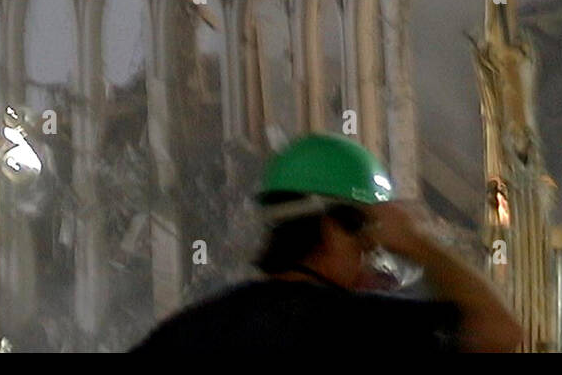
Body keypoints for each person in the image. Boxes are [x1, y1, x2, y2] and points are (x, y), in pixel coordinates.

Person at [131, 133, 522, 353]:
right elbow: (500, 333)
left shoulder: (195, 330)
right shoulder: (358, 327)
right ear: (342, 224)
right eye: (369, 237)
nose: (373, 253)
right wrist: (415, 243)